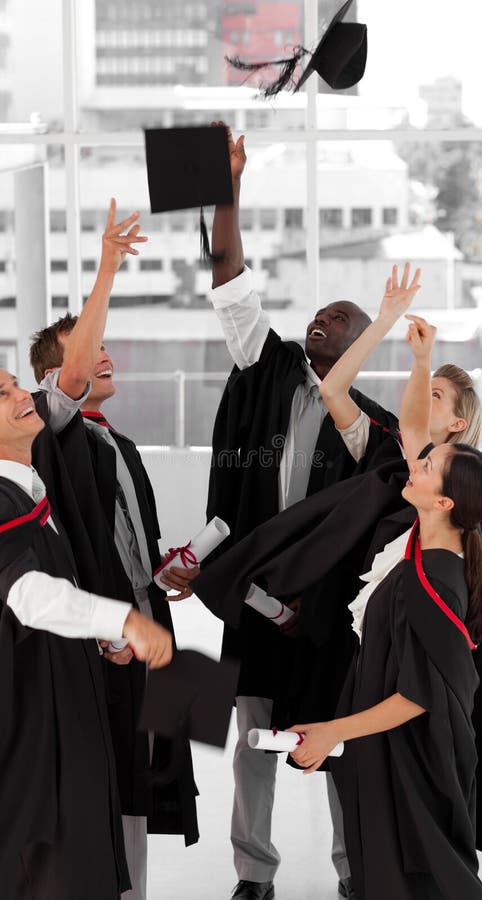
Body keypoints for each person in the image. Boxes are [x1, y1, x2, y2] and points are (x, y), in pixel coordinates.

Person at [204, 124, 401, 900]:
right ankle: (254, 875)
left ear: (360, 345)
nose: (323, 319)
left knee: (334, 740)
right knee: (249, 743)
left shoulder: (374, 431)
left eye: (341, 317)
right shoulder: (267, 365)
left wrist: (307, 605)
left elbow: (361, 534)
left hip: (321, 615)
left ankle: (355, 873)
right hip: (253, 602)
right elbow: (229, 276)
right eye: (319, 313)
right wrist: (228, 187)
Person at [29, 200, 199, 900]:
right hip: (103, 641)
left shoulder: (118, 444)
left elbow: (125, 541)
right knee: (107, 777)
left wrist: (164, 574)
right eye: (89, 345)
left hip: (146, 630)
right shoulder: (54, 435)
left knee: (149, 770)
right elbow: (65, 380)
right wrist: (104, 271)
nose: (104, 353)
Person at [288, 412, 482, 898]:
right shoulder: (419, 552)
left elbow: (419, 697)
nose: (415, 464)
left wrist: (332, 732)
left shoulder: (437, 578)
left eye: (428, 465)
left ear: (444, 501)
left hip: (415, 762)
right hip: (389, 751)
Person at [0, 369, 175, 899]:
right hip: (31, 731)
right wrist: (121, 619)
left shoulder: (28, 492)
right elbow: (27, 595)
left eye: (14, 385)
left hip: (66, 711)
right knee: (46, 865)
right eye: (2, 395)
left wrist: (98, 637)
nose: (21, 396)